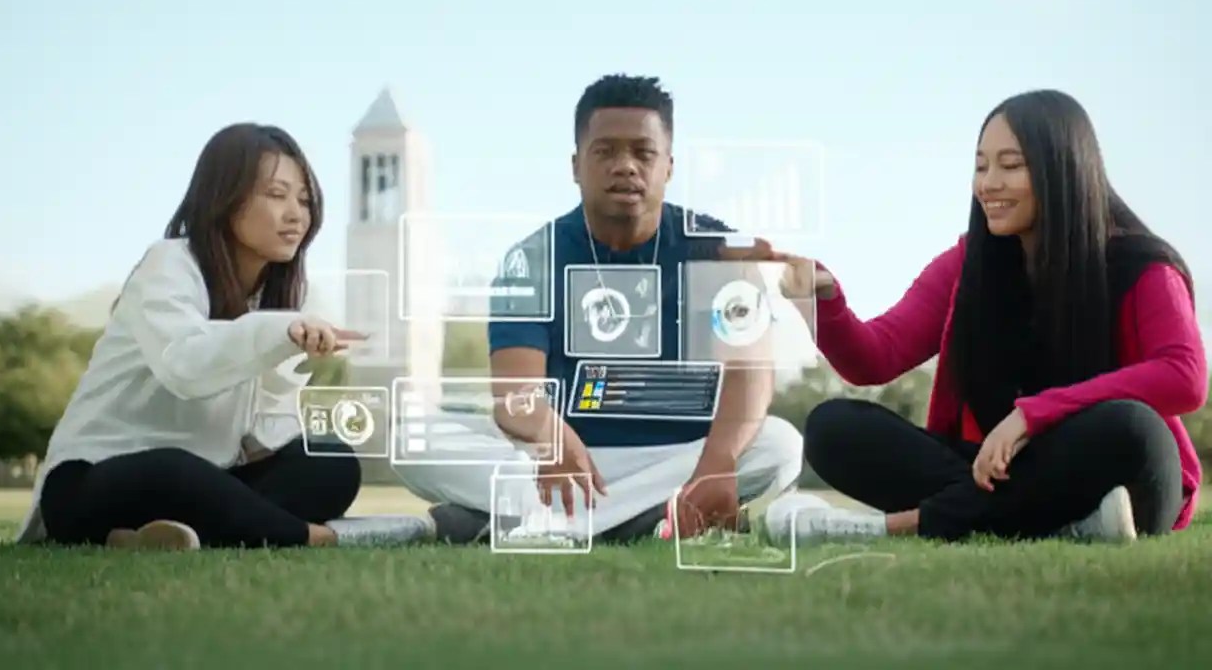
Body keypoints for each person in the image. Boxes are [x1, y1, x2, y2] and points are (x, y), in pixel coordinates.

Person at [759, 89, 1207, 546]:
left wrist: (1032, 416)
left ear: (1063, 170)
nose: (988, 183)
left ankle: (898, 526)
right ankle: (1071, 525)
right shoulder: (967, 266)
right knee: (833, 428)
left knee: (1132, 429)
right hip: (992, 472)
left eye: (1010, 165)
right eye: (980, 166)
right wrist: (823, 304)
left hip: (1111, 472)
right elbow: (874, 359)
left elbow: (1184, 377)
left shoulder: (1142, 267)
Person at [393, 74, 803, 544]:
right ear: (576, 165)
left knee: (779, 445)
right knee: (412, 440)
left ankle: (523, 521)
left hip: (678, 455)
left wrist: (718, 465)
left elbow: (751, 371)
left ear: (668, 166)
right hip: (557, 456)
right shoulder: (533, 259)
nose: (625, 166)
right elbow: (514, 394)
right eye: (605, 152)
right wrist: (549, 432)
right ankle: (636, 520)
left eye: (643, 153)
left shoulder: (716, 249)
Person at [16, 123, 435, 550]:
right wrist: (280, 331)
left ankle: (148, 537)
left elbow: (267, 426)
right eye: (276, 195)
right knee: (176, 472)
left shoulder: (277, 298)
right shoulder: (169, 265)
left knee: (329, 463)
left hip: (203, 480)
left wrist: (266, 431)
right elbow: (186, 366)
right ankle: (320, 537)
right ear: (225, 197)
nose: (296, 214)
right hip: (94, 479)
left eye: (304, 200)